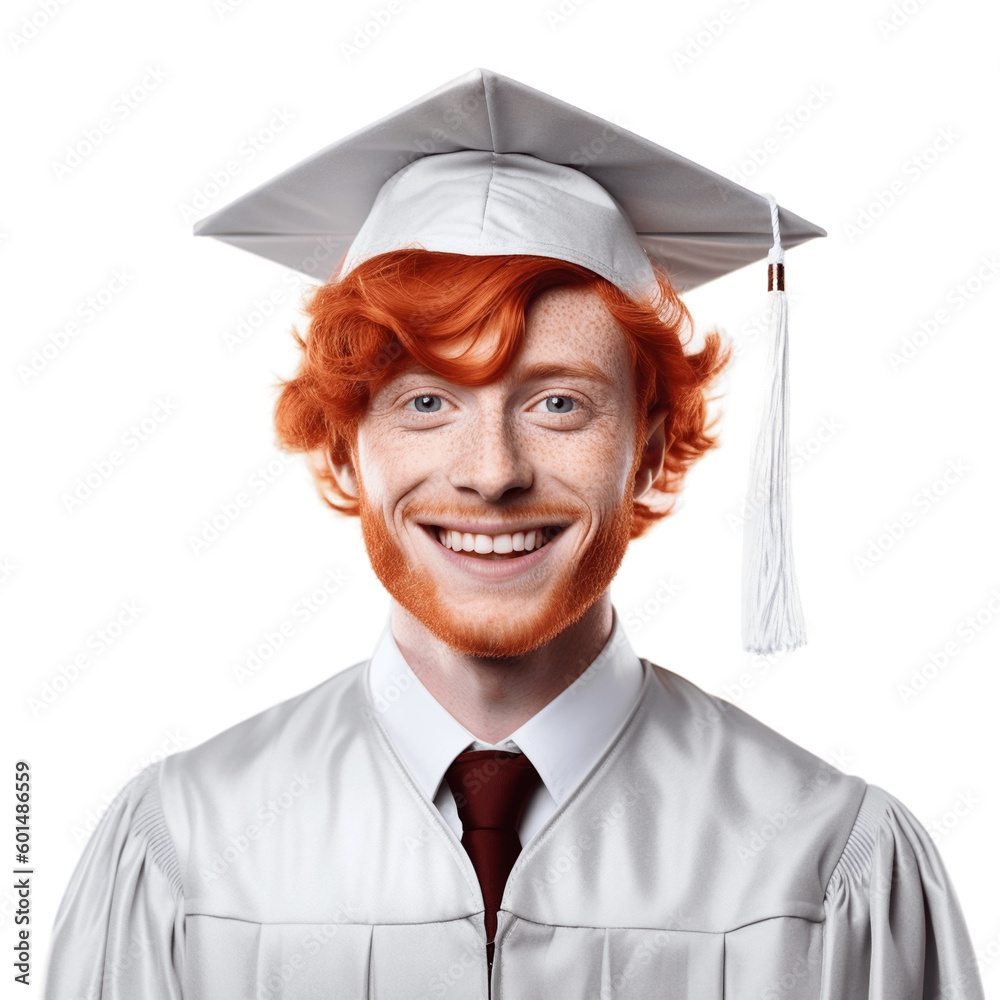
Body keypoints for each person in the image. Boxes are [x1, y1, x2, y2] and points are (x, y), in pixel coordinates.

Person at [45, 69, 984, 1000]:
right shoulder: (185, 853)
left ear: (651, 449)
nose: (492, 472)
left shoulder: (823, 861)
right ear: (341, 449)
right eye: (426, 402)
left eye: (559, 403)